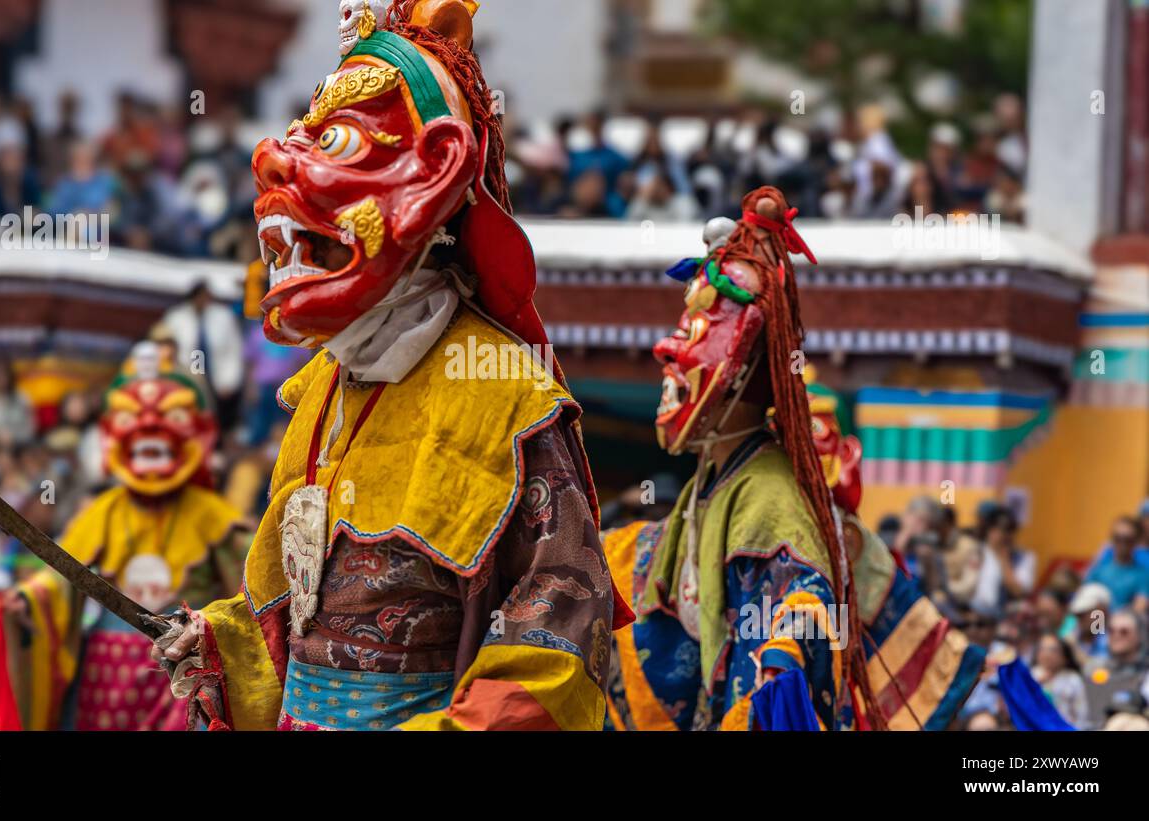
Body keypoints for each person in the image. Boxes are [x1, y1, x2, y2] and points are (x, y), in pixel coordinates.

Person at [153, 0, 627, 731]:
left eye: (335, 141)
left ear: (436, 170)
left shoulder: (507, 396)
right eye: (300, 138)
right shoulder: (319, 391)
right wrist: (224, 643)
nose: (277, 161)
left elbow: (557, 646)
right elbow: (300, 616)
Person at [603, 190, 874, 731]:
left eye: (695, 336)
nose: (668, 352)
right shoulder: (717, 476)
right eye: (682, 331)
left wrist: (785, 647)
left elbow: (799, 604)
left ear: (742, 375)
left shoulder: (768, 496)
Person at [0, 354, 246, 731]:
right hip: (106, 679)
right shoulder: (101, 511)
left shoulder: (217, 517)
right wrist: (30, 599)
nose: (149, 427)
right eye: (132, 419)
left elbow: (251, 598)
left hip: (184, 673)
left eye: (170, 418)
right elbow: (61, 576)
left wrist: (211, 628)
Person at [159, 281, 246, 435]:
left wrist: (230, 380)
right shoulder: (177, 317)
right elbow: (167, 347)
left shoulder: (223, 316)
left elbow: (233, 350)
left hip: (216, 376)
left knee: (217, 418)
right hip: (186, 375)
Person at [971, 507, 1035, 613]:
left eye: (1007, 530)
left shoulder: (1024, 557)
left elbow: (1017, 592)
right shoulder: (977, 551)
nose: (1001, 535)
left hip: (1002, 616)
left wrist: (1004, 559)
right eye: (996, 529)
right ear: (988, 530)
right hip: (972, 611)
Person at [1086, 516, 1149, 612]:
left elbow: (1139, 608)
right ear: (1112, 539)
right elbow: (1084, 598)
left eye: (1127, 540)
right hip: (1097, 620)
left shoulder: (1142, 575)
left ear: (1136, 541)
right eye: (1118, 538)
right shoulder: (1099, 570)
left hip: (1125, 622)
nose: (1122, 544)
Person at [1031, 632, 1090, 730]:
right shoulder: (1030, 676)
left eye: (1053, 650)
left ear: (1064, 657)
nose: (1047, 654)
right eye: (1042, 649)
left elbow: (1082, 713)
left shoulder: (1072, 679)